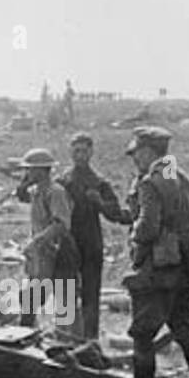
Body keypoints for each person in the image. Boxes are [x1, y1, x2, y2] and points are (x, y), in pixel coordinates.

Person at [114, 126, 189, 378]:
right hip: (188, 269)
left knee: (142, 336)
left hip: (159, 272)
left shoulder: (151, 182)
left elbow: (146, 228)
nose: (134, 159)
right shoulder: (185, 181)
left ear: (149, 151)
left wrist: (136, 241)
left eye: (137, 153)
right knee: (184, 331)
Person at [59, 133, 133, 341]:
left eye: (84, 150)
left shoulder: (99, 182)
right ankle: (66, 336)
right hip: (68, 242)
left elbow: (115, 214)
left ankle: (90, 340)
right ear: (70, 152)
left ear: (91, 152)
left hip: (91, 242)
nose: (80, 155)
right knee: (66, 292)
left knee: (91, 293)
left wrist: (99, 202)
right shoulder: (63, 181)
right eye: (76, 151)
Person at [13, 148, 77, 331]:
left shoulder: (55, 192)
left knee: (64, 301)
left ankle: (69, 341)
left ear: (42, 171)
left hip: (59, 253)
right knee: (30, 299)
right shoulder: (37, 191)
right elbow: (21, 194)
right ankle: (26, 333)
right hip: (42, 254)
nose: (28, 173)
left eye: (31, 170)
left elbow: (61, 224)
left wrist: (37, 241)